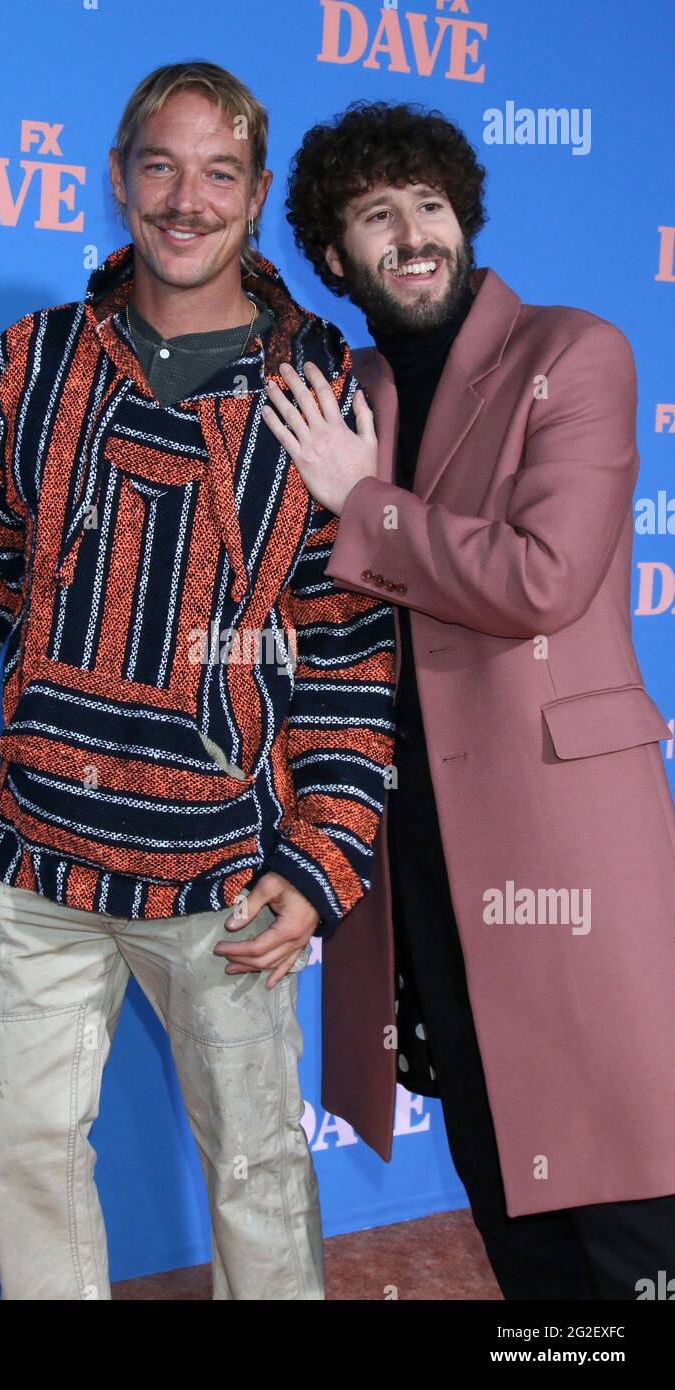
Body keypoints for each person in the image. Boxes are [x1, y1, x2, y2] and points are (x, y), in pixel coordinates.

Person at [0, 66, 395, 1301]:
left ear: (253, 197)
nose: (185, 200)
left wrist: (322, 855)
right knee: (19, 1159)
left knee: (254, 1171)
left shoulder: (315, 392)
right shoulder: (28, 366)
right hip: (31, 865)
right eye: (160, 167)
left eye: (218, 174)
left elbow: (347, 652)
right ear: (121, 179)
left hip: (224, 880)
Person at [261, 99, 675, 1301]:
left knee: (628, 1203)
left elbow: (539, 579)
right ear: (334, 258)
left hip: (564, 848)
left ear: (464, 221)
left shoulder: (573, 353)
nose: (411, 234)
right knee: (509, 1198)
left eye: (428, 205)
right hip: (421, 859)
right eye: (374, 215)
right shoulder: (345, 391)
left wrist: (362, 499)